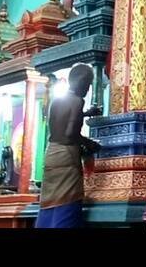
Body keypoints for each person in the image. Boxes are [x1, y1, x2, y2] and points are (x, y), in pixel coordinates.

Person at [35, 64, 102, 228]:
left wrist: (85, 114)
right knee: (67, 198)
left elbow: (62, 119)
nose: (88, 89)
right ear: (82, 82)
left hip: (51, 152)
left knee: (49, 200)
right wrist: (90, 144)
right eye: (88, 85)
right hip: (67, 155)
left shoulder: (57, 100)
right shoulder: (77, 101)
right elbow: (71, 133)